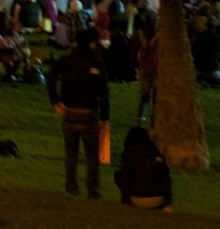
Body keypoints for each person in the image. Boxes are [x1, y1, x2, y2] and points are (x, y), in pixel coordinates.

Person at [48, 28, 111, 198]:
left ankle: (71, 188)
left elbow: (51, 76)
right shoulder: (96, 64)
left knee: (71, 152)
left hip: (69, 111)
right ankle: (93, 189)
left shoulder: (67, 60)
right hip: (89, 112)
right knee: (91, 154)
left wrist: (55, 100)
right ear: (92, 42)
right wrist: (104, 117)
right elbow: (104, 93)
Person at [115, 126, 173, 211]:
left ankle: (129, 202)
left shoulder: (128, 154)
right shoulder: (155, 152)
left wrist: (125, 200)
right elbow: (166, 178)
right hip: (158, 199)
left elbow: (126, 179)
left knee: (118, 175)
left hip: (136, 199)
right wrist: (167, 202)